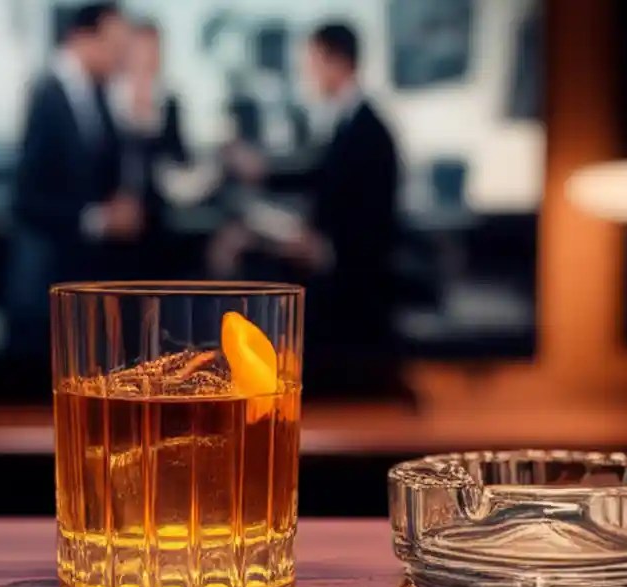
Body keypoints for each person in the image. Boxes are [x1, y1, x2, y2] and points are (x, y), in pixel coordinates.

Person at [223, 23, 407, 396]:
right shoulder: (348, 122)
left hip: (356, 285)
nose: (307, 72)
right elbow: (321, 176)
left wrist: (321, 247)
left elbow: (369, 218)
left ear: (334, 61)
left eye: (311, 61)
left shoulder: (369, 130)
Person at [9, 2, 136, 336]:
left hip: (82, 267)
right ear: (83, 38)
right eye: (115, 48)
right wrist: (97, 219)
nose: (121, 59)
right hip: (45, 271)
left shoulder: (96, 94)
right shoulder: (46, 95)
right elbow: (28, 196)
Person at [109, 22, 189, 263]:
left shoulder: (169, 102)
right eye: (144, 50)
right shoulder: (108, 96)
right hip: (113, 215)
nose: (150, 58)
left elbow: (179, 156)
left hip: (158, 216)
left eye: (156, 50)